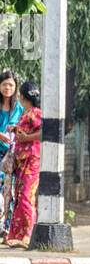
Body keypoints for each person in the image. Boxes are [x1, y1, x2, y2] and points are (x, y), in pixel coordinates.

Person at [5, 80, 42, 249]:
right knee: (20, 197)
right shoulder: (27, 113)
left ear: (22, 96)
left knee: (26, 196)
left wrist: (25, 138)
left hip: (31, 161)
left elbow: (43, 132)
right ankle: (18, 236)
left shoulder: (35, 113)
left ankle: (27, 235)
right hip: (22, 162)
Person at [0, 70, 23, 236]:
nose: (7, 87)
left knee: (10, 192)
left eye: (11, 85)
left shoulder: (19, 108)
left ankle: (7, 229)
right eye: (4, 84)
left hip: (12, 156)